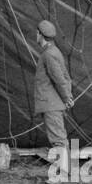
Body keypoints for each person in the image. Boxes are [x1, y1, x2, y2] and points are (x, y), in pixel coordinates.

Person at [33, 20, 74, 153]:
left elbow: (60, 79)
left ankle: (64, 171)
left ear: (40, 34)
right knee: (59, 139)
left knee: (58, 140)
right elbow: (66, 77)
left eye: (37, 32)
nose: (36, 35)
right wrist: (67, 96)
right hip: (53, 103)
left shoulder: (49, 54)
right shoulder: (53, 51)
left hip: (51, 104)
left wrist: (67, 98)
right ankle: (64, 170)